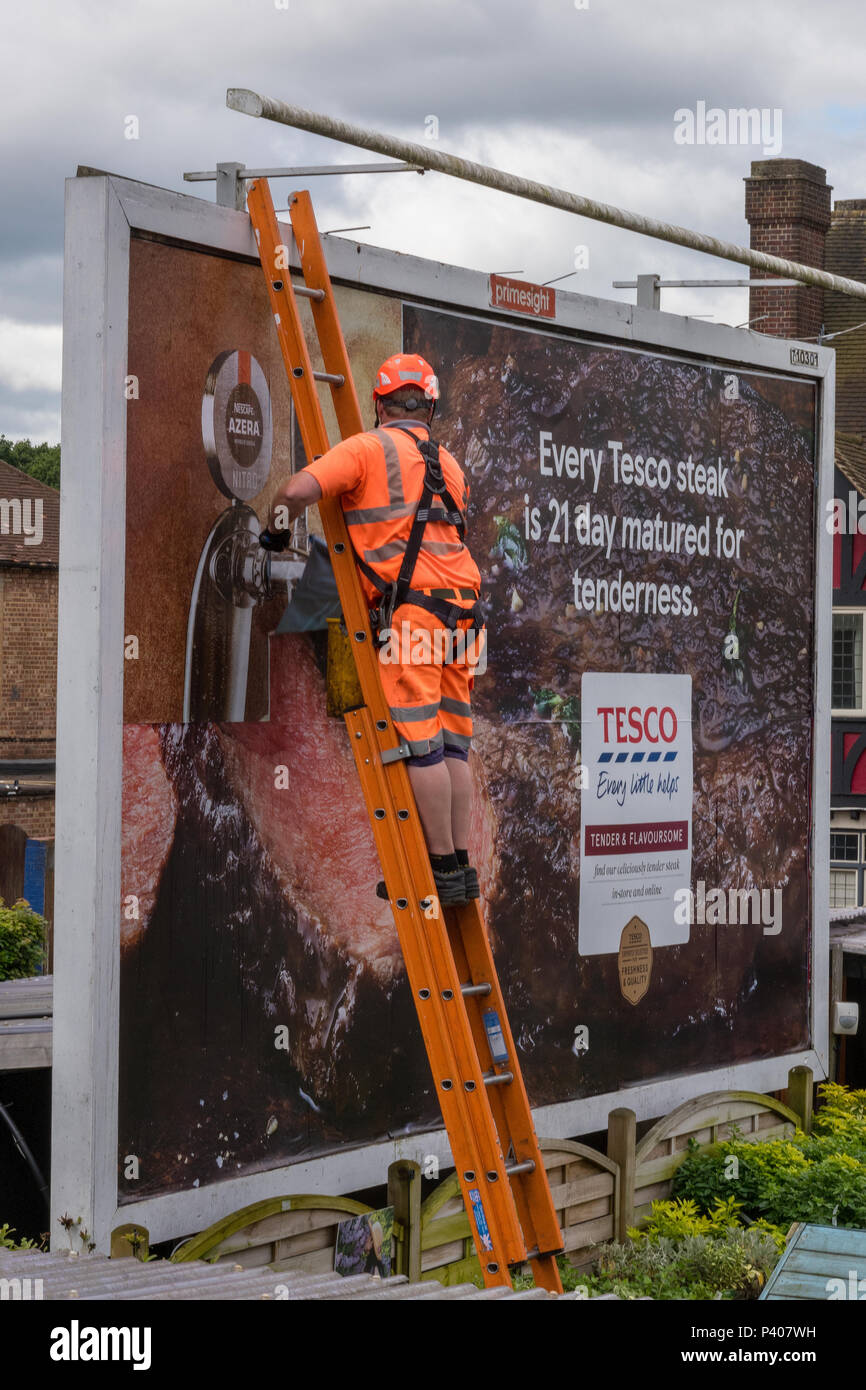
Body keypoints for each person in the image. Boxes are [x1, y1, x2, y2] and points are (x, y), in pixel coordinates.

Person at [259, 353, 484, 906]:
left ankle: (435, 870)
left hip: (414, 618)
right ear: (429, 405)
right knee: (453, 743)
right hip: (466, 611)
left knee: (418, 746)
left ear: (379, 402)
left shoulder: (366, 449)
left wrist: (274, 536)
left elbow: (294, 492)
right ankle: (458, 866)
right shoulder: (450, 464)